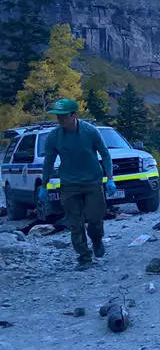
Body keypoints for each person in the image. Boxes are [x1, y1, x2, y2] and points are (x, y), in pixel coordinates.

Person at [38, 98, 117, 271]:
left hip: (92, 182)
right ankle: (84, 257)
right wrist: (44, 185)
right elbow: (48, 162)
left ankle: (97, 240)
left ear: (74, 115)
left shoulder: (91, 132)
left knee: (95, 219)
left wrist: (110, 178)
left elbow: (105, 154)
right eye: (57, 116)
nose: (59, 119)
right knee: (75, 224)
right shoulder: (54, 137)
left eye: (63, 116)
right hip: (69, 184)